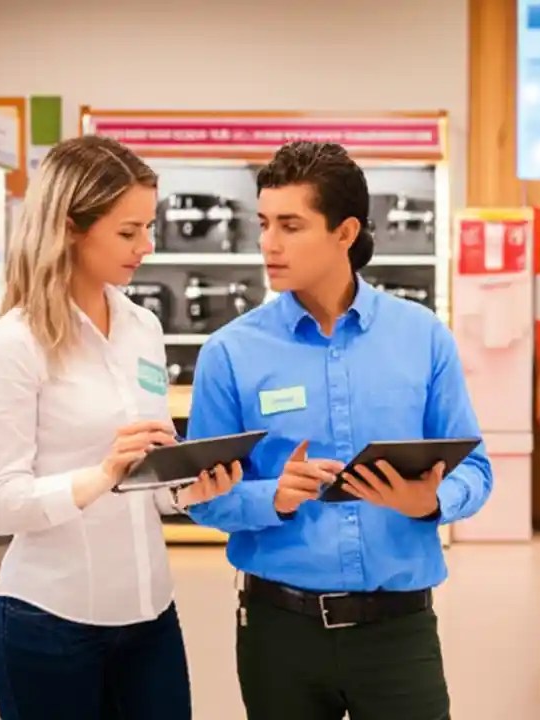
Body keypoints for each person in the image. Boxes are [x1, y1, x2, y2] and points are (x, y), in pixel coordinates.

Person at [184, 140, 493, 720]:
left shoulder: (422, 337)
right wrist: (269, 496)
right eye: (264, 223)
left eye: (291, 225)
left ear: (345, 232)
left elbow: (475, 470)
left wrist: (431, 500)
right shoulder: (230, 353)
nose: (268, 243)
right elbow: (201, 497)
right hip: (280, 635)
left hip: (398, 631)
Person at [0, 135, 241, 720]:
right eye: (128, 231)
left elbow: (147, 484)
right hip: (49, 623)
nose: (147, 245)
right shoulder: (14, 344)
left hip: (149, 617)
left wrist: (190, 487)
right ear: (71, 226)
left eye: (149, 226)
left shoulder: (142, 326)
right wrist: (99, 475)